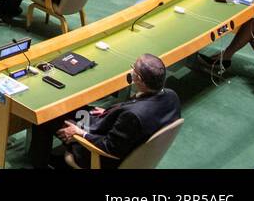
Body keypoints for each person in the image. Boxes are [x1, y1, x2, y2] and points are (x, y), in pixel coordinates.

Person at [46, 54, 180, 169]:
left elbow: (109, 147)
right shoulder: (171, 95)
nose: (131, 70)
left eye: (133, 68)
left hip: (101, 157)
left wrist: (80, 133)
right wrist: (111, 112)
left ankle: (41, 162)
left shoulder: (133, 116)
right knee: (77, 108)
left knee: (49, 116)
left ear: (139, 79)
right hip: (124, 136)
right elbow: (137, 108)